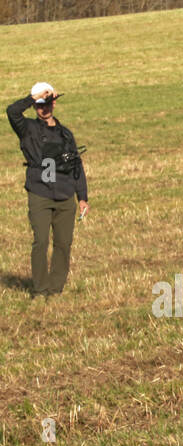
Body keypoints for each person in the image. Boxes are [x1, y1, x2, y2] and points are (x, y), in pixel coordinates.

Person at [7, 82, 89, 297]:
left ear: (54, 103)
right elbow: (12, 111)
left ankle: (55, 289)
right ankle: (40, 289)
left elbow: (76, 165)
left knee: (63, 243)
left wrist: (82, 197)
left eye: (49, 103)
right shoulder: (28, 129)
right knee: (41, 241)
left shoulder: (66, 134)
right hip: (40, 193)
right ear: (35, 106)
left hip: (64, 194)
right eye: (41, 104)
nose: (45, 108)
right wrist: (32, 97)